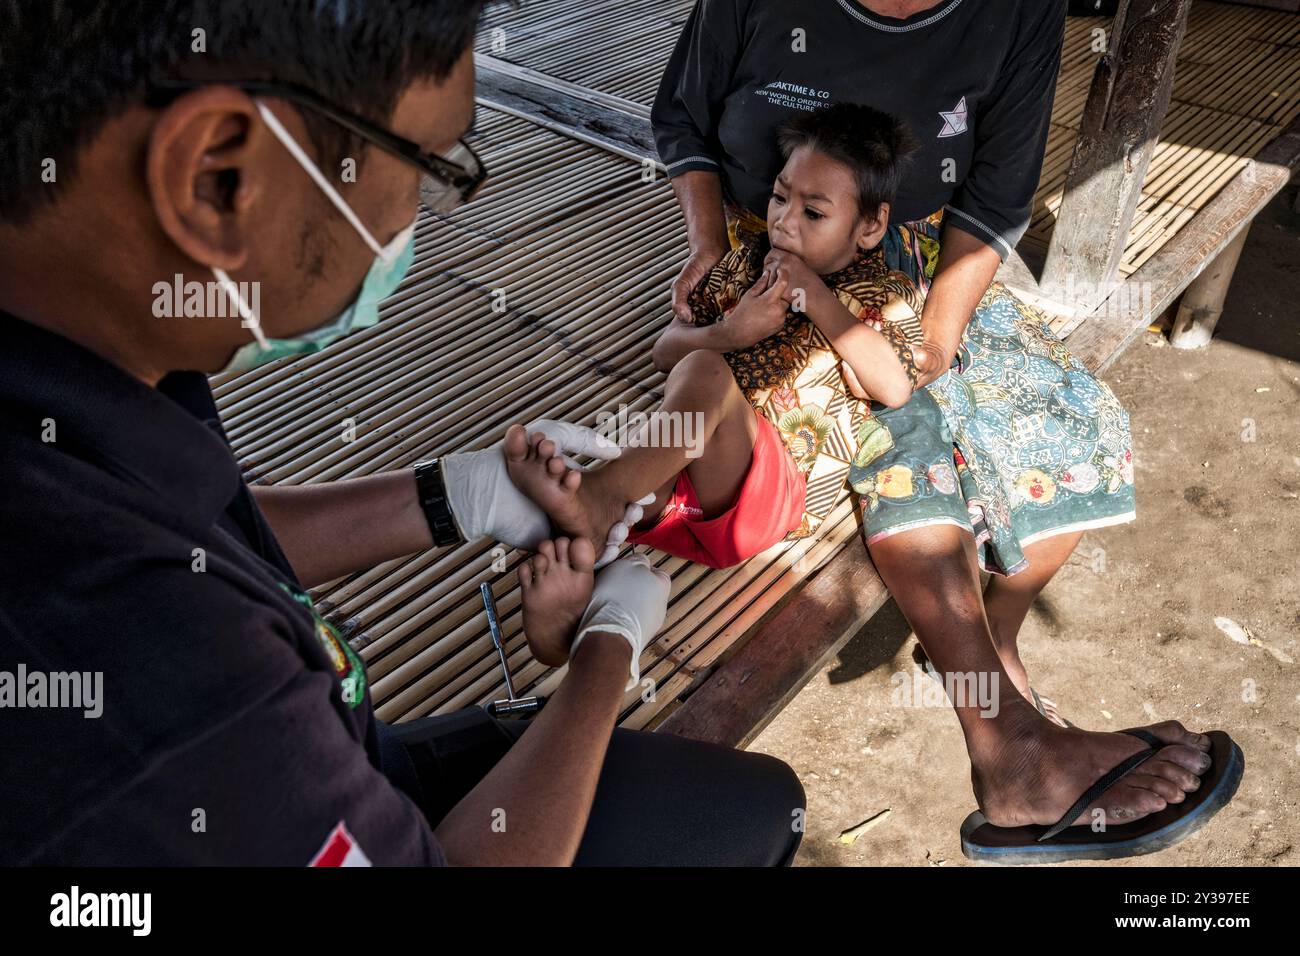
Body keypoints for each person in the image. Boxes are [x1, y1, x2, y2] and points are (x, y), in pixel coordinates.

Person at [0, 0, 804, 867]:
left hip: (344, 744)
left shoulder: (95, 349)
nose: (419, 218)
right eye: (428, 165)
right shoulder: (167, 695)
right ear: (218, 177)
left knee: (752, 805)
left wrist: (454, 497)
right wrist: (606, 652)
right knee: (749, 824)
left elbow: (206, 536)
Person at [652, 0, 1241, 860]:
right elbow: (683, 116)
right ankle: (1008, 750)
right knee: (910, 436)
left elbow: (997, 189)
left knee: (1067, 424)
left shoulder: (1016, 13)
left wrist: (938, 331)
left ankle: (987, 643)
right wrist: (709, 243)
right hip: (770, 264)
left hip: (928, 267)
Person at [506, 102, 925, 571]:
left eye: (813, 212)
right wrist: (730, 331)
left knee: (703, 372)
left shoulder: (881, 292)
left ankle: (599, 496)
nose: (785, 221)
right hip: (687, 478)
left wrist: (812, 293)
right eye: (780, 197)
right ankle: (582, 532)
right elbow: (664, 352)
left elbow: (895, 386)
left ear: (870, 226)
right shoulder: (744, 266)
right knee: (609, 494)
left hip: (766, 496)